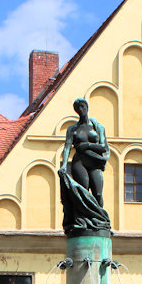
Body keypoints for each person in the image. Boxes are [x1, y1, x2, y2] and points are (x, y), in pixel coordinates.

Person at [58, 98, 111, 235]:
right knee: (83, 192)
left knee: (98, 193)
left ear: (86, 107)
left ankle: (101, 223)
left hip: (94, 162)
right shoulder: (73, 129)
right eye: (77, 108)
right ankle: (83, 222)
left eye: (82, 107)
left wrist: (88, 145)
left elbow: (104, 147)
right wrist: (64, 165)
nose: (80, 110)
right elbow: (67, 147)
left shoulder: (98, 127)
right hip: (79, 162)